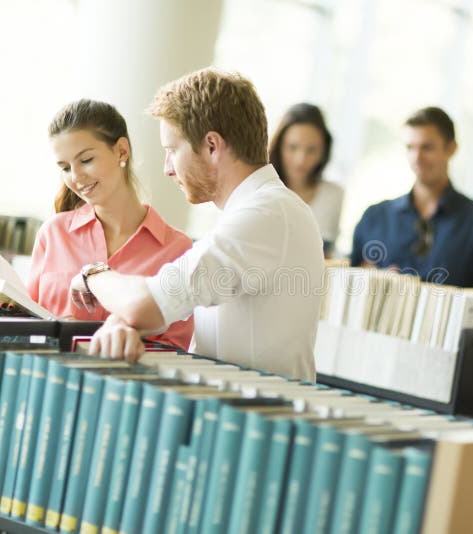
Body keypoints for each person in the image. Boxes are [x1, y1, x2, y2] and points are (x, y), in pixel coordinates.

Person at [70, 69, 324, 381]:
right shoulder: (261, 211)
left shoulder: (266, 213)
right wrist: (124, 321)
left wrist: (93, 275)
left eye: (172, 151)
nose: (167, 169)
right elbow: (168, 302)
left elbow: (145, 304)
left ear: (212, 146)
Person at [27, 99, 193, 350]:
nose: (75, 177)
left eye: (86, 160)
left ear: (121, 151)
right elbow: (26, 321)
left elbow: (175, 348)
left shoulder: (177, 249)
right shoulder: (53, 233)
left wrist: (127, 336)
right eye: (65, 167)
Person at [350, 106, 473, 292]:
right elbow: (351, 284)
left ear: (451, 148)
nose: (417, 158)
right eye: (410, 147)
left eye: (427, 147)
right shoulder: (375, 217)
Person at [268, 103, 343, 257]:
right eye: (292, 147)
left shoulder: (333, 194)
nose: (300, 160)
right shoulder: (263, 190)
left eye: (312, 150)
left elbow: (325, 255)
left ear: (324, 152)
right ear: (279, 146)